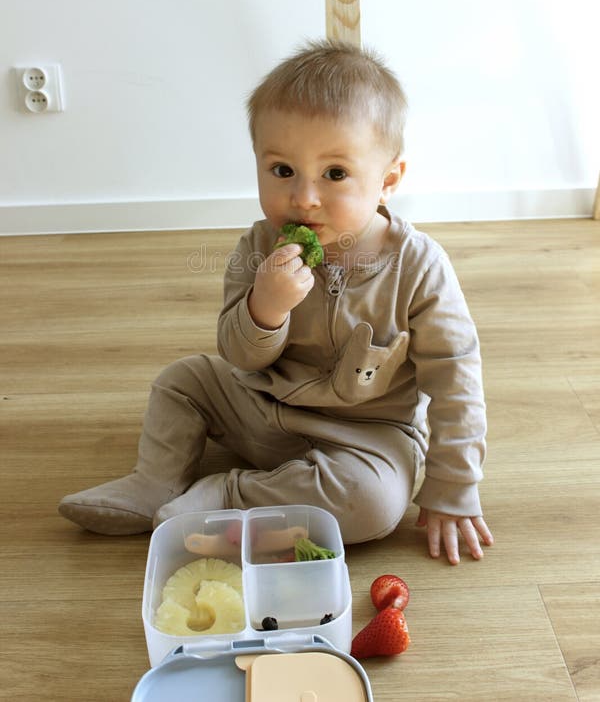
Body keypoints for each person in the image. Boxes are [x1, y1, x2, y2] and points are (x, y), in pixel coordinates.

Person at [59, 39, 493, 565]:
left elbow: (456, 378)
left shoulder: (419, 266)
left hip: (367, 436)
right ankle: (154, 482)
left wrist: (452, 486)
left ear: (388, 180)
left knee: (375, 505)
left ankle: (226, 495)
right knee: (183, 380)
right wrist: (265, 309)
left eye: (335, 174)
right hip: (264, 406)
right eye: (282, 170)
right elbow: (238, 356)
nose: (304, 197)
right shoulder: (259, 245)